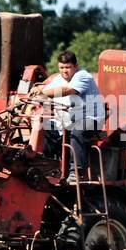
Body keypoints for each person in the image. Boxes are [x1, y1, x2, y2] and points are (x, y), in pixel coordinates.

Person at [34, 50, 104, 181]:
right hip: (69, 120)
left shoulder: (83, 76)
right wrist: (33, 94)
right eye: (61, 67)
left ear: (75, 66)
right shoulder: (58, 79)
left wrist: (42, 92)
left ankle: (76, 173)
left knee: (78, 132)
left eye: (68, 67)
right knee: (47, 131)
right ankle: (47, 169)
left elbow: (67, 91)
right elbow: (46, 91)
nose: (64, 71)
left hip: (91, 119)